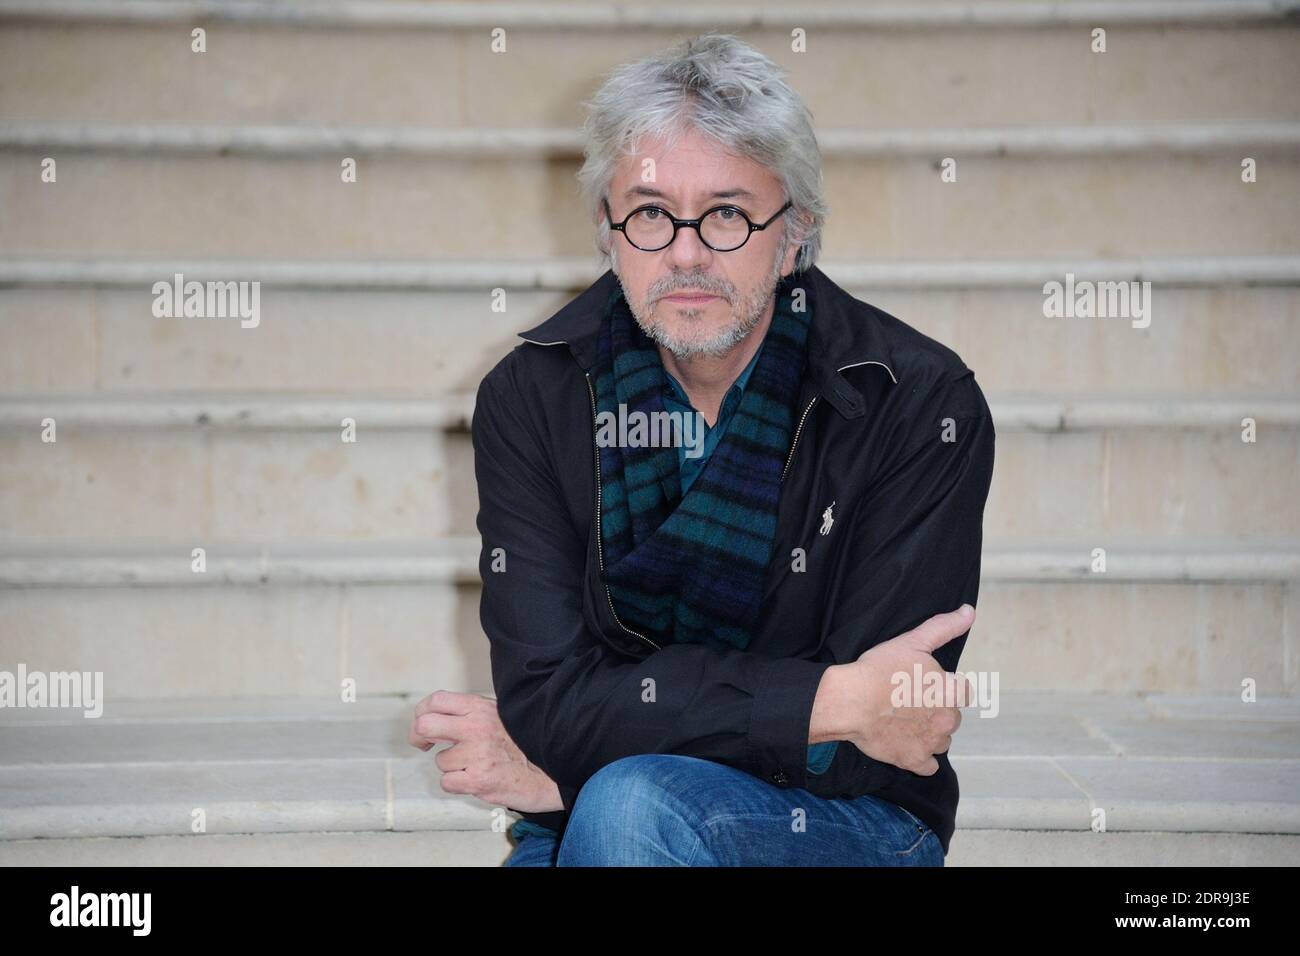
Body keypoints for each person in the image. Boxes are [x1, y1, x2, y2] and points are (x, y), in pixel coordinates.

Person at [409, 32, 995, 867]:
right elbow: (547, 703)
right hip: (597, 815)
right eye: (650, 213)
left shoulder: (917, 402)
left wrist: (567, 771)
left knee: (631, 808)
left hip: (849, 823)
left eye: (726, 213)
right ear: (609, 233)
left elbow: (880, 738)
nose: (685, 253)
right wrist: (825, 698)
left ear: (794, 231)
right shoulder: (532, 399)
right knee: (621, 816)